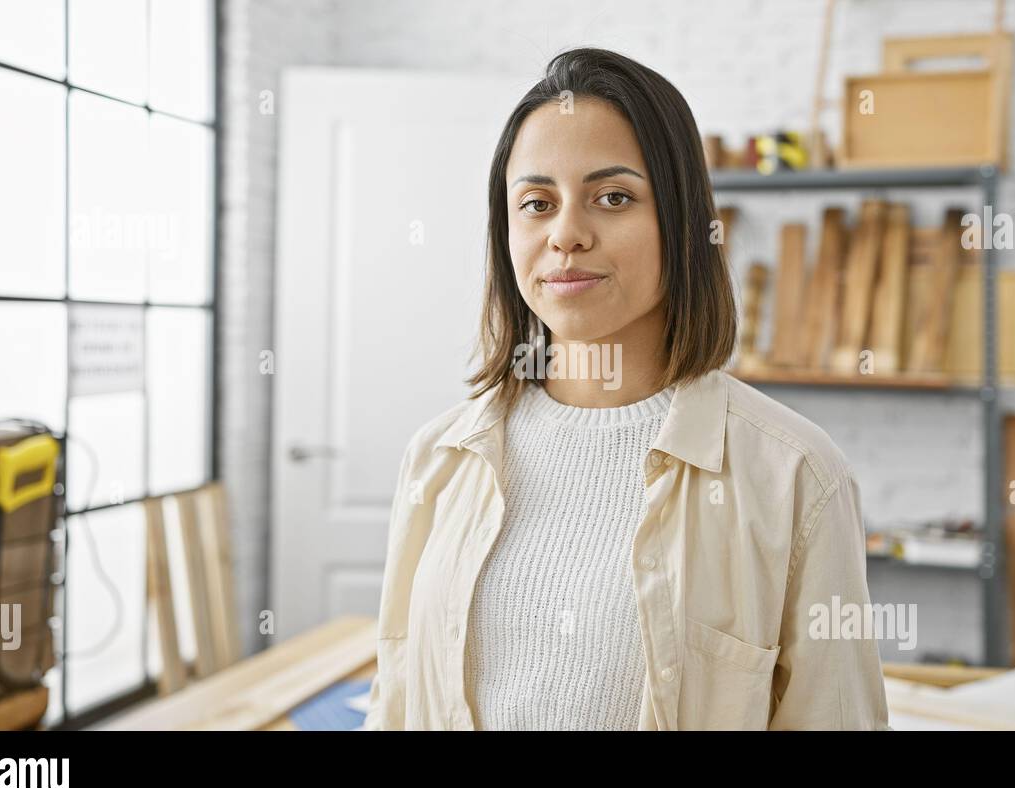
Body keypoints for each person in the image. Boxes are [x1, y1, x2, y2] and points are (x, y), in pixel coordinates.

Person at [363, 47, 889, 730]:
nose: (567, 235)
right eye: (537, 203)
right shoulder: (437, 459)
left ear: (682, 220)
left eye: (613, 198)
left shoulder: (795, 476)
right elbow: (396, 706)